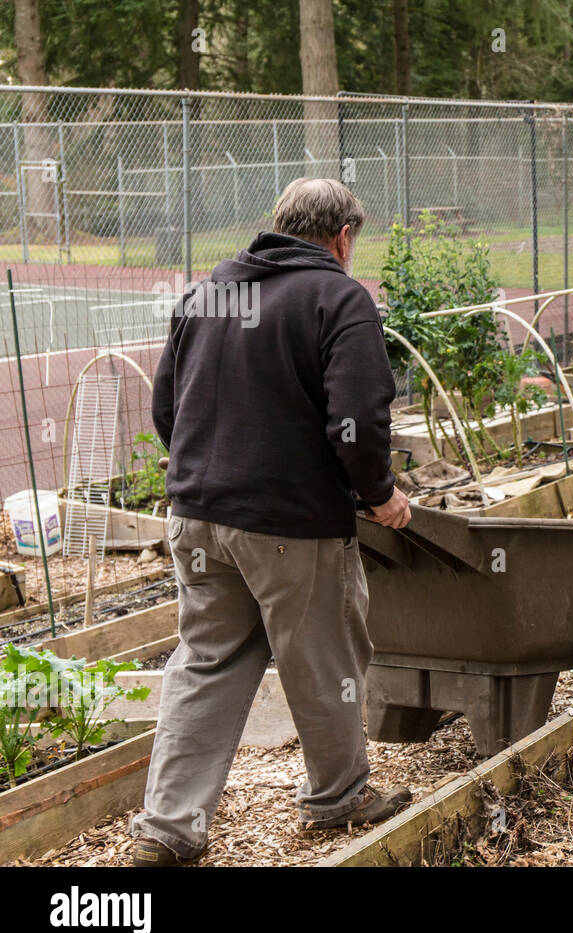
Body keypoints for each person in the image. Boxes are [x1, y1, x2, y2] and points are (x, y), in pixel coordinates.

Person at [131, 178, 413, 866]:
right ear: (342, 237)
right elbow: (357, 417)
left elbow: (167, 410)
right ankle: (338, 798)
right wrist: (378, 494)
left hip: (196, 516)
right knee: (323, 660)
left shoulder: (209, 292)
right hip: (292, 524)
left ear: (280, 225)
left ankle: (168, 828)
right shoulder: (338, 297)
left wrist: (210, 471)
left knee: (205, 661)